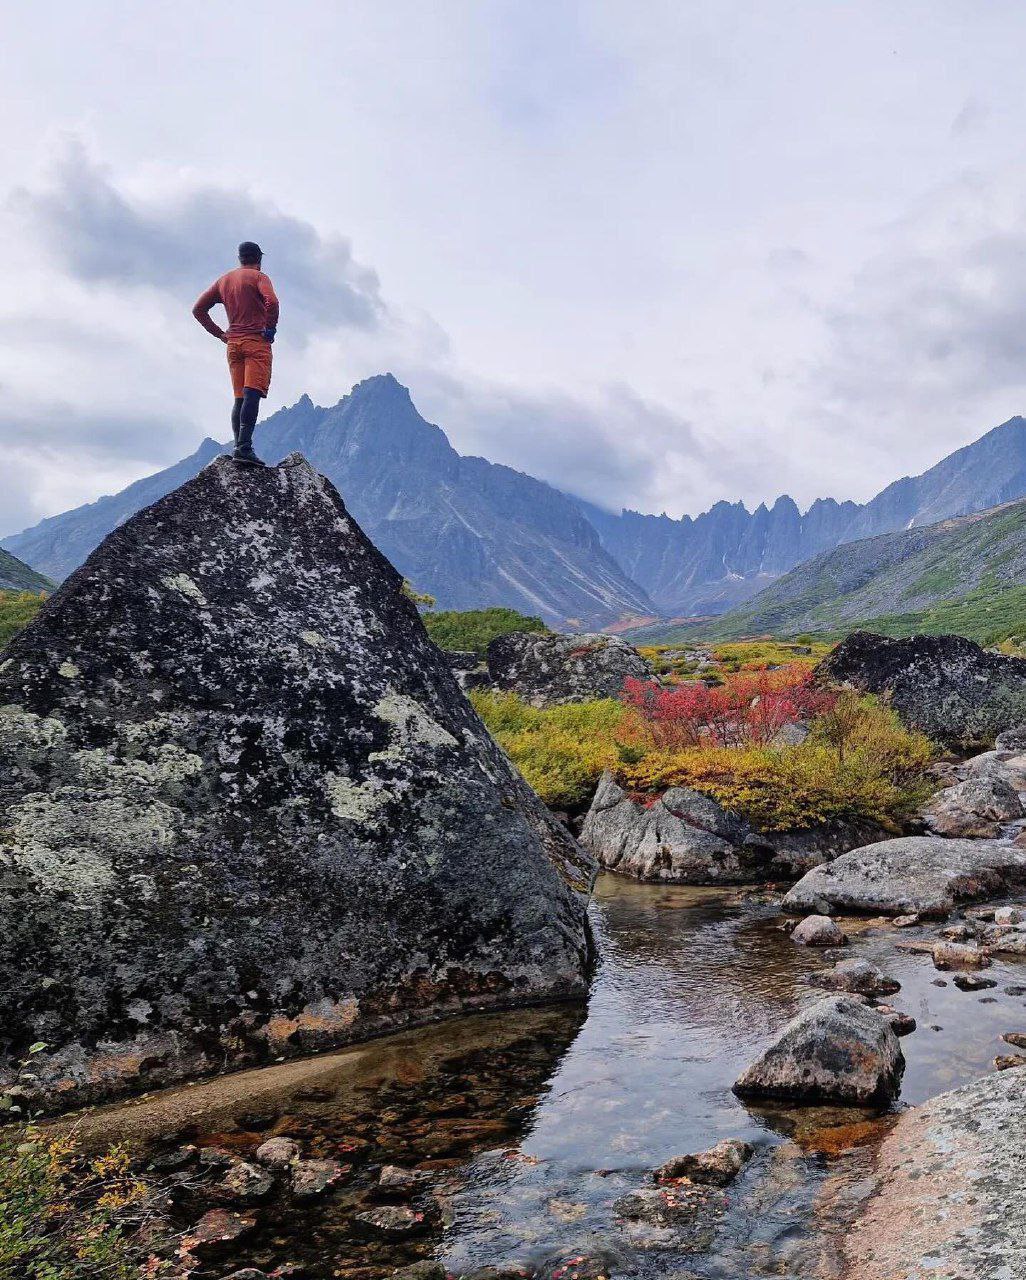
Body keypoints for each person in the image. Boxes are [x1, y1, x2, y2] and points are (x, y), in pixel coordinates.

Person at [192, 242, 279, 465]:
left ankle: (238, 446)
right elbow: (272, 301)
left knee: (239, 397)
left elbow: (198, 309)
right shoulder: (260, 278)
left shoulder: (225, 280)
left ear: (239, 258)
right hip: (255, 343)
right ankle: (244, 448)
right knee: (252, 394)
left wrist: (221, 334)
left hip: (233, 345)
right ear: (259, 259)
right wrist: (270, 329)